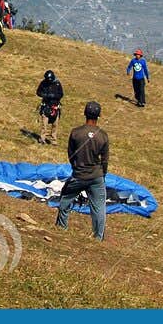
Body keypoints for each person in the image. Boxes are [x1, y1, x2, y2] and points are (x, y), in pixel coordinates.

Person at [54, 102, 109, 241]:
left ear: (85, 113)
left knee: (65, 201)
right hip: (96, 176)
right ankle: (98, 237)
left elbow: (70, 153)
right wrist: (102, 174)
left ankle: (61, 228)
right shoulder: (103, 135)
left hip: (79, 175)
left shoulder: (76, 132)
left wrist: (76, 167)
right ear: (99, 116)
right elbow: (105, 159)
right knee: (99, 208)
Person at [37, 69, 64, 145]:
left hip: (55, 107)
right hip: (46, 107)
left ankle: (54, 140)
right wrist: (45, 95)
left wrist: (54, 96)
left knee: (55, 124)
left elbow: (61, 94)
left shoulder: (57, 84)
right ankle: (42, 139)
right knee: (44, 125)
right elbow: (38, 92)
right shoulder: (43, 83)